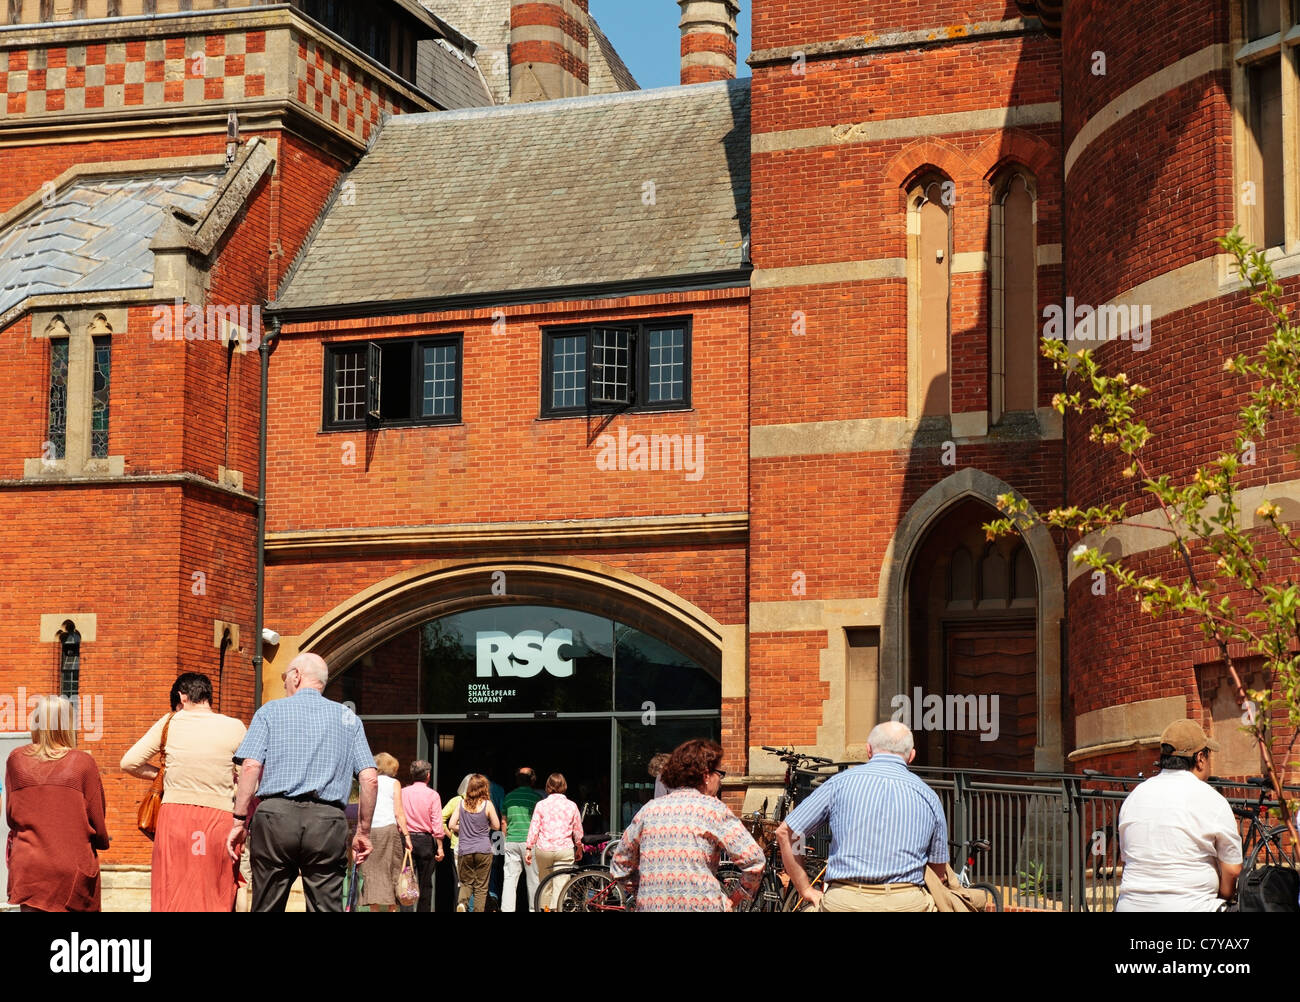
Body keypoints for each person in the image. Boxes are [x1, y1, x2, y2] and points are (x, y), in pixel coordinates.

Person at [225, 652, 378, 912]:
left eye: (285, 677)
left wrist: (240, 820)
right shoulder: (348, 718)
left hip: (275, 817)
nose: (284, 682)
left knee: (267, 904)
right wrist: (363, 832)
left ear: (296, 676)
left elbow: (250, 766)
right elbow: (370, 778)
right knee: (326, 906)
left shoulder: (270, 711)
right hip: (327, 820)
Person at [776, 721, 949, 912]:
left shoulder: (839, 783)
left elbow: (786, 832)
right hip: (907, 902)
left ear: (869, 750)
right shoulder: (929, 795)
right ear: (912, 756)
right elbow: (938, 874)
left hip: (844, 901)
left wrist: (806, 889)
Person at [121, 671, 247, 911]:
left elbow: (129, 762)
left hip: (175, 816)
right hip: (219, 816)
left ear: (182, 696)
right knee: (216, 886)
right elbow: (251, 779)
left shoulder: (170, 722)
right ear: (208, 697)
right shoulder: (235, 726)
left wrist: (165, 775)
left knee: (172, 887)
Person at [609, 738, 763, 911]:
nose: (720, 780)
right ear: (706, 775)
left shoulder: (649, 810)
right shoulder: (713, 809)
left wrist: (644, 891)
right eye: (719, 773)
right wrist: (732, 900)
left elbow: (620, 864)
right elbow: (754, 860)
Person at [1115, 719, 1243, 912]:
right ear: (1200, 758)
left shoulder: (1133, 797)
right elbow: (1232, 871)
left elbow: (1128, 861)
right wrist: (1223, 898)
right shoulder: (1211, 799)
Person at [5, 695, 110, 911]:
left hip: (29, 864)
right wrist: (101, 839)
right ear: (68, 724)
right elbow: (97, 818)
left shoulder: (16, 759)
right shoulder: (82, 763)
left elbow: (11, 814)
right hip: (70, 866)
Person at [360, 752, 412, 912]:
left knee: (373, 872)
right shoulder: (394, 783)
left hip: (371, 830)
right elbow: (398, 812)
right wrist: (407, 836)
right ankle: (392, 910)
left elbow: (362, 808)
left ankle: (374, 910)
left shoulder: (369, 782)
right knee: (393, 870)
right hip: (389, 831)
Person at [524, 772, 584, 910]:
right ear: (564, 786)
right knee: (561, 885)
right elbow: (577, 830)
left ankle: (545, 909)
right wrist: (579, 847)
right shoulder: (571, 805)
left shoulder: (541, 805)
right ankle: (557, 909)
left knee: (545, 885)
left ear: (548, 786)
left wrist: (528, 848)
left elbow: (534, 827)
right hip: (564, 849)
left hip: (544, 849)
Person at [449, 773, 499, 912]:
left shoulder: (461, 803)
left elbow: (452, 825)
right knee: (481, 886)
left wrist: (463, 827)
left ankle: (462, 904)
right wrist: (485, 825)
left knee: (466, 882)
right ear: (484, 788)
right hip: (483, 849)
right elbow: (496, 826)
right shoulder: (487, 805)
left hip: (465, 849)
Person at [401, 759, 445, 912]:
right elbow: (437, 824)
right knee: (425, 883)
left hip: (405, 840)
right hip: (426, 841)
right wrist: (440, 847)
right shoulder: (433, 795)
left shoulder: (402, 793)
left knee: (406, 882)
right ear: (428, 775)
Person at [501, 767, 542, 912]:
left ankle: (507, 909)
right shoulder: (536, 798)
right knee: (533, 879)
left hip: (511, 840)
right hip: (530, 843)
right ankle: (534, 908)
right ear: (532, 780)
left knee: (510, 879)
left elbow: (504, 822)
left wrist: (503, 842)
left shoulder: (509, 797)